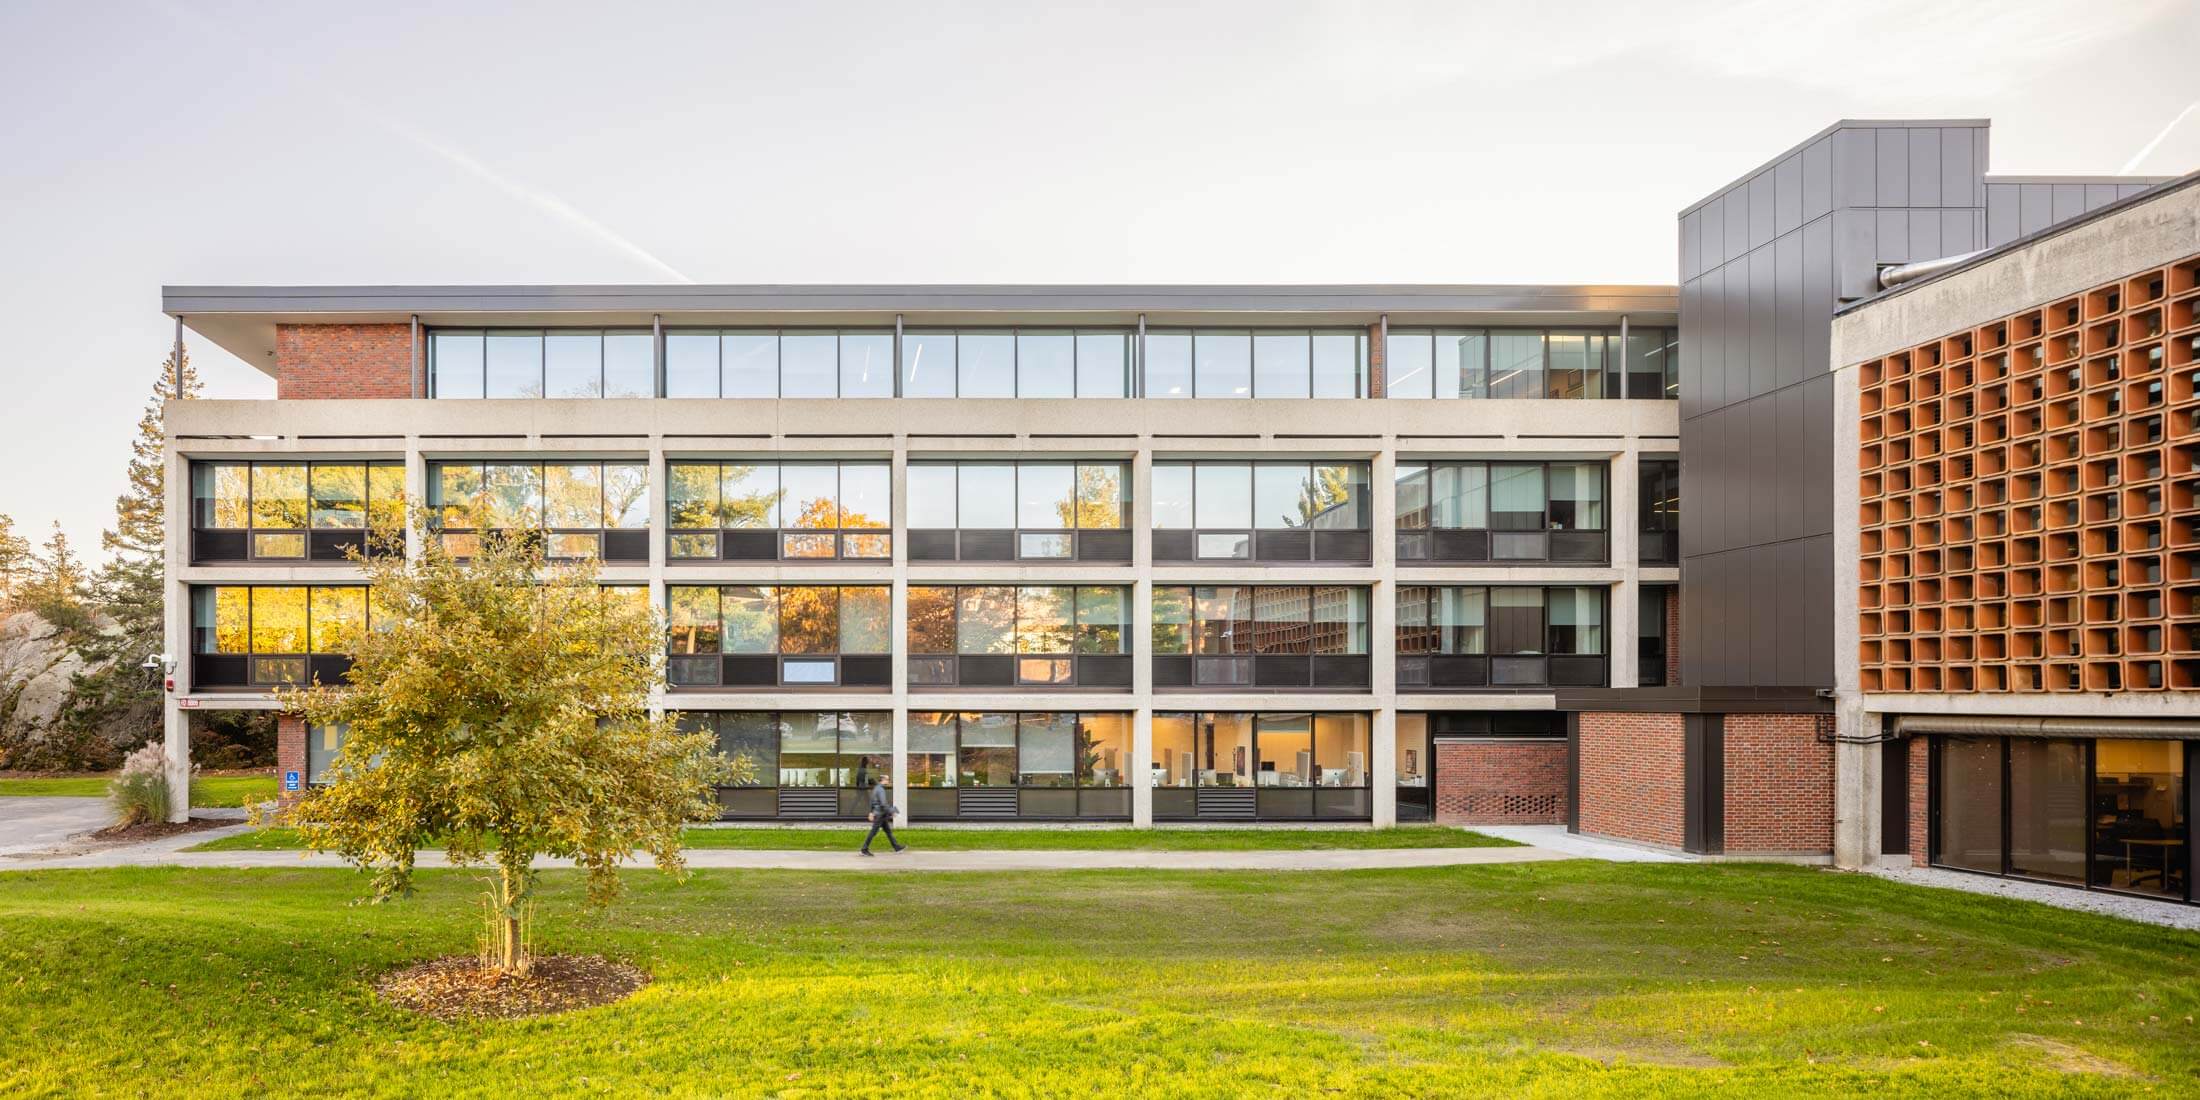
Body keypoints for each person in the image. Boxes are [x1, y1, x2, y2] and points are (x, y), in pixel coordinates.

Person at [860, 775, 905, 856]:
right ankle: (864, 849)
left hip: (881, 814)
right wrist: (892, 812)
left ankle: (897, 847)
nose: (888, 781)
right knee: (873, 832)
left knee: (888, 831)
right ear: (883, 780)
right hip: (880, 815)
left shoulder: (876, 788)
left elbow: (872, 802)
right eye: (888, 779)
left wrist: (871, 812)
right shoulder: (880, 789)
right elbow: (883, 804)